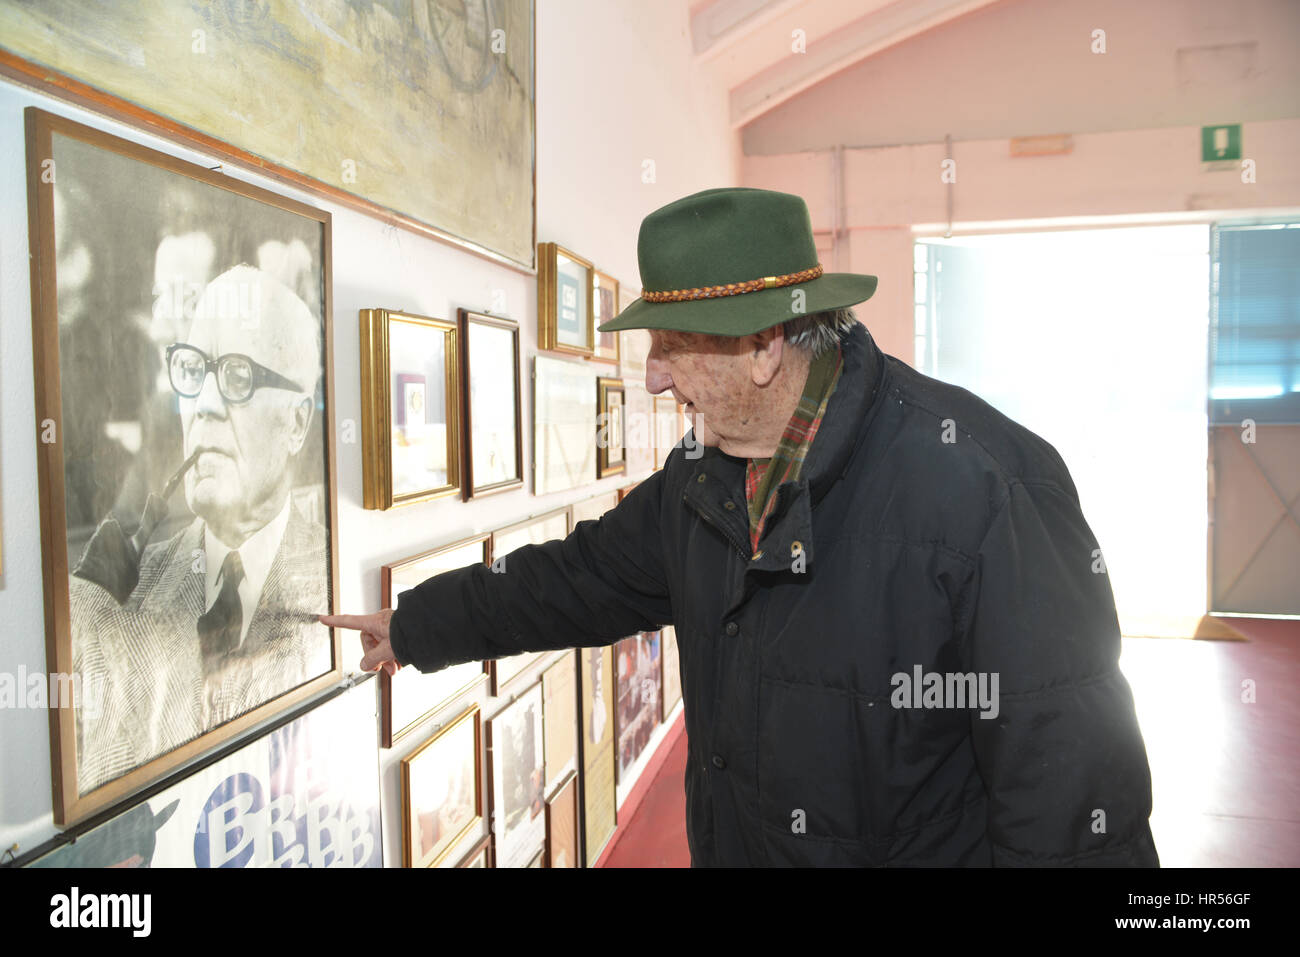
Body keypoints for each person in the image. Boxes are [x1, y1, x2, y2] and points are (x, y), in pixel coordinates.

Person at [324, 187, 1159, 867]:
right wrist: (416, 623)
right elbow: (573, 580)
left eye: (669, 347)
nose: (652, 380)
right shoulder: (701, 481)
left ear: (762, 347)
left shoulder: (985, 488)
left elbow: (1077, 812)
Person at [74, 264, 332, 792]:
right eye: (193, 371)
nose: (205, 406)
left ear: (298, 423)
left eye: (238, 377)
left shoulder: (339, 582)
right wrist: (85, 607)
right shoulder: (121, 596)